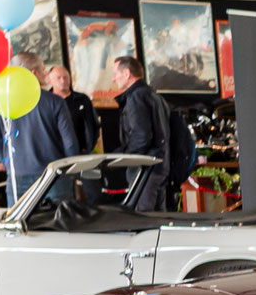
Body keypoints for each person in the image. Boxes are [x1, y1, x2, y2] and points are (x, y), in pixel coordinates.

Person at [0, 53, 81, 204]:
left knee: (18, 226)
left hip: (16, 177)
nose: (46, 74)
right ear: (33, 73)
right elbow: (70, 142)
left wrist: (8, 163)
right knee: (57, 224)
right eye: (43, 69)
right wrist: (71, 171)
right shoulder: (55, 102)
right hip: (53, 177)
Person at [110, 55, 171, 209]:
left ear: (127, 74)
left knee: (143, 221)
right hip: (161, 166)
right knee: (158, 221)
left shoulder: (136, 97)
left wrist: (127, 158)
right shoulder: (155, 96)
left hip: (144, 169)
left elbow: (141, 136)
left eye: (116, 74)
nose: (113, 79)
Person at [48, 65, 99, 155]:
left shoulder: (83, 99)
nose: (63, 81)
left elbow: (94, 125)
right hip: (55, 154)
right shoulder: (46, 102)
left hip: (81, 153)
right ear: (50, 80)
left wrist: (88, 147)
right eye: (58, 78)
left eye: (66, 77)